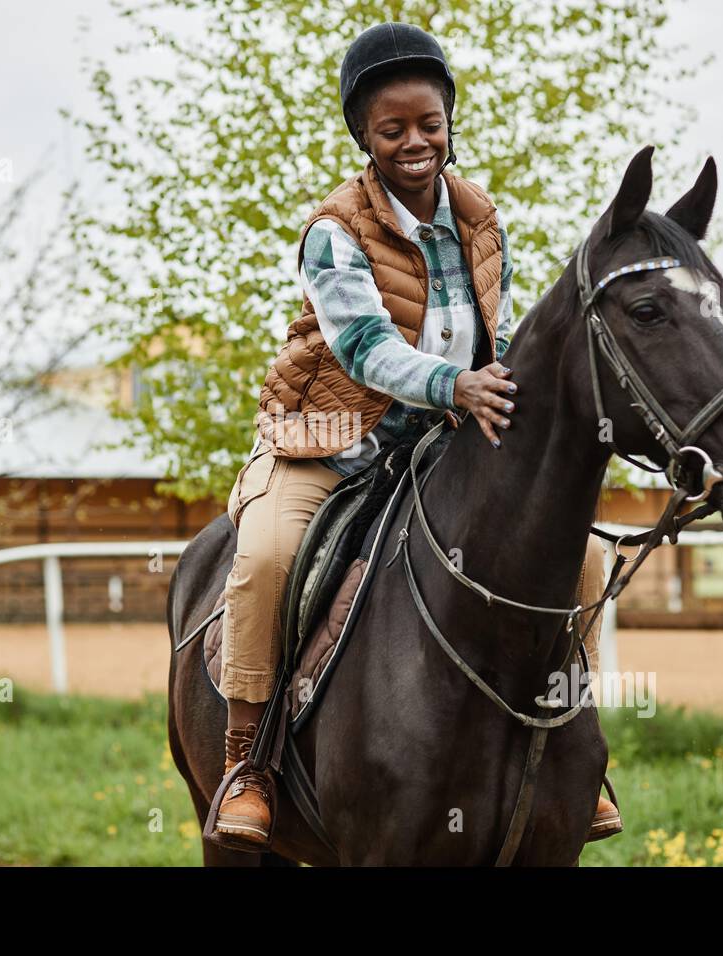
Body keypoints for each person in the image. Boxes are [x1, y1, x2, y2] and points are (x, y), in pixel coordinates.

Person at [209, 21, 620, 852]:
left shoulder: (478, 216)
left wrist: (511, 383)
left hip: (441, 441)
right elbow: (364, 349)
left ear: (449, 119)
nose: (414, 142)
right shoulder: (333, 231)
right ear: (365, 136)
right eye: (392, 129)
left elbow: (489, 334)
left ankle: (572, 742)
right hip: (331, 439)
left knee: (584, 555)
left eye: (427, 122)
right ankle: (247, 761)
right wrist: (456, 385)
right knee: (265, 556)